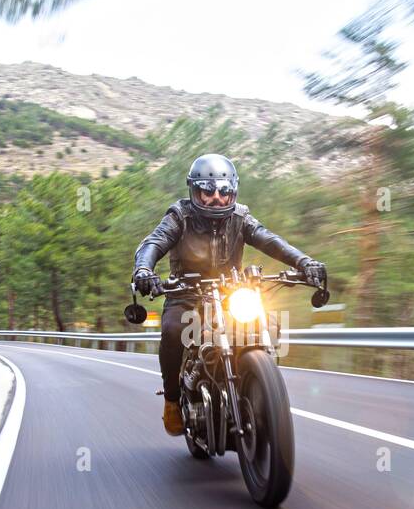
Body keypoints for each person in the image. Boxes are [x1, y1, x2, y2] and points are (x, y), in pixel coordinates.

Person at [133, 154, 326, 435]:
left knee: (264, 322)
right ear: (194, 190)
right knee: (174, 329)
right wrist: (143, 270)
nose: (216, 198)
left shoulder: (241, 217)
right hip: (186, 293)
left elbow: (270, 240)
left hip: (229, 293)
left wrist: (304, 262)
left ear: (232, 191)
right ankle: (173, 400)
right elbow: (154, 242)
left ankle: (257, 382)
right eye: (207, 191)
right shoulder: (180, 216)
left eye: (224, 191)